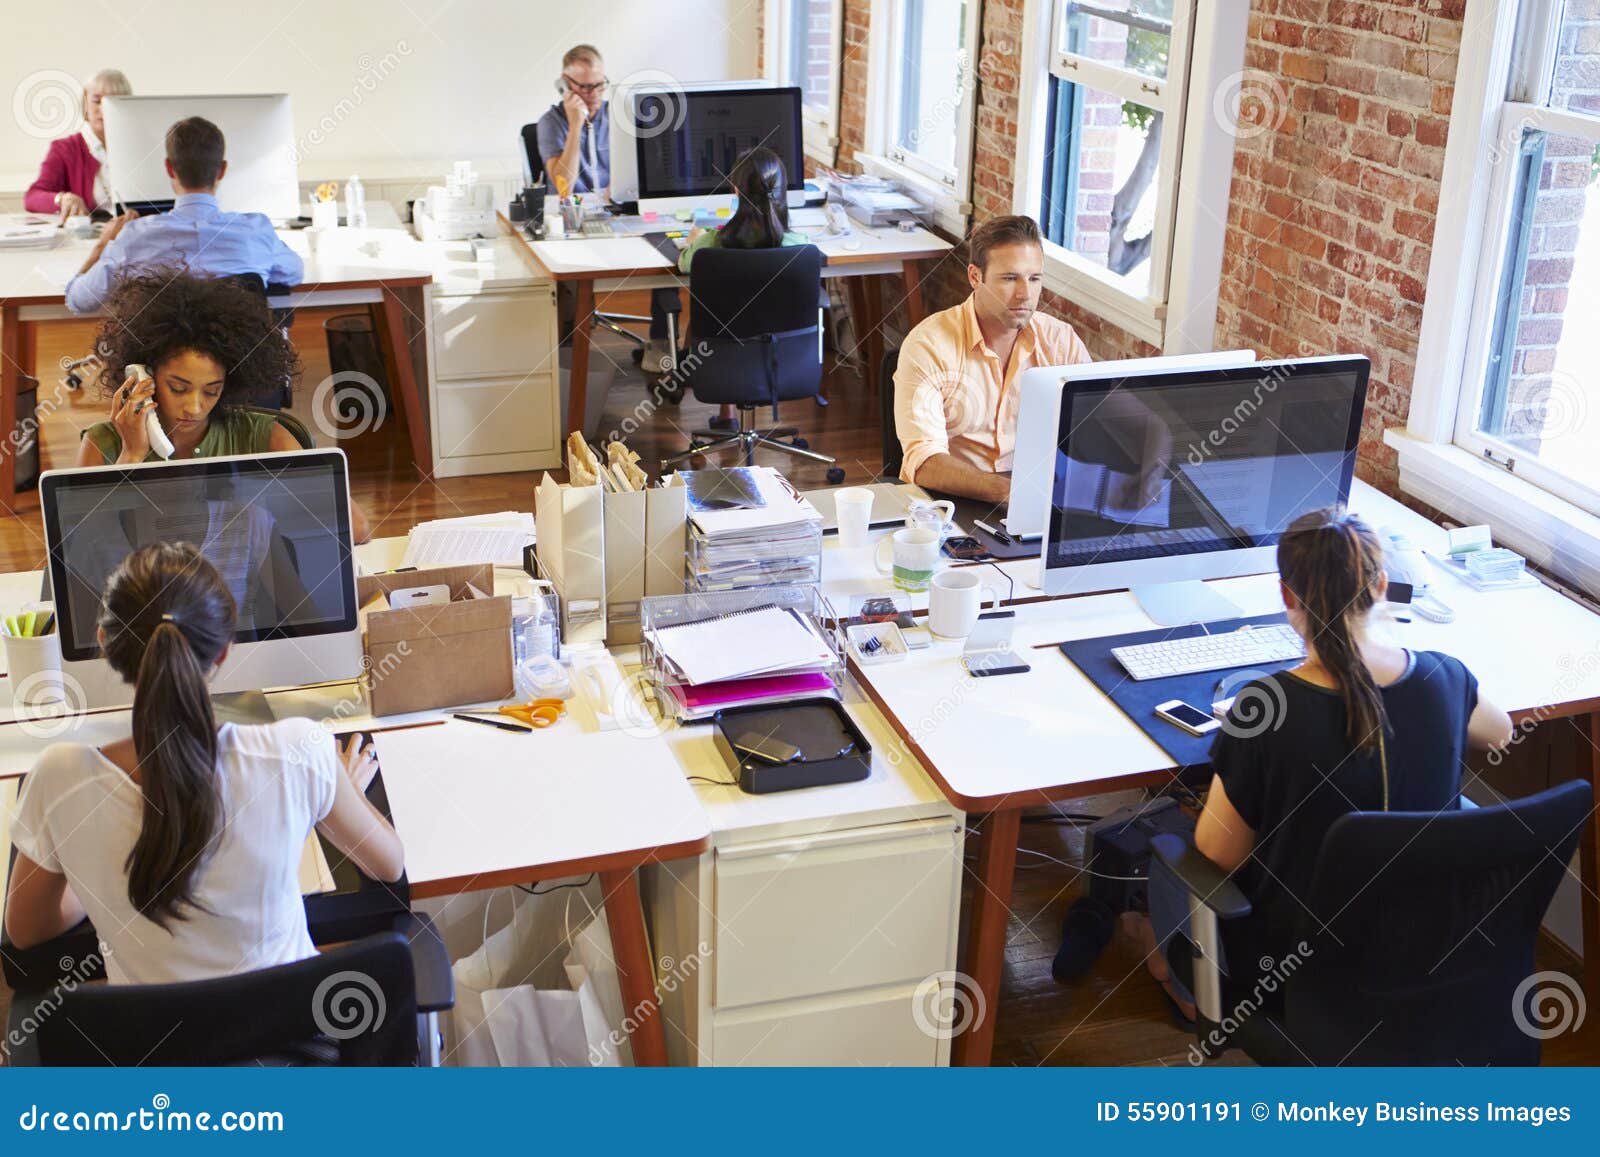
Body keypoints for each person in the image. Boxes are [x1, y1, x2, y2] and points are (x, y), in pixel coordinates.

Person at [1137, 507, 1513, 1023]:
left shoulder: (1263, 710)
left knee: (1170, 845)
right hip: (1428, 950)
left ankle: (1183, 986)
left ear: (1287, 596)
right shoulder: (1444, 677)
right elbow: (1501, 731)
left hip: (1293, 969)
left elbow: (1217, 855)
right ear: (1382, 585)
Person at [5, 542, 404, 983]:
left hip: (153, 1049)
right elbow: (389, 866)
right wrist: (331, 786)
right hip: (293, 1042)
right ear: (224, 650)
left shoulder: (59, 779)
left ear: (104, 644)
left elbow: (26, 931)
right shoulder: (299, 752)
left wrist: (89, 870)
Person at [75, 270, 372, 543]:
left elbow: (357, 528)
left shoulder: (265, 437)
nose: (194, 407)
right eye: (178, 388)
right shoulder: (105, 444)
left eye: (211, 391)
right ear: (144, 377)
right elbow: (76, 550)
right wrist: (132, 454)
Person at [894, 214, 1092, 505]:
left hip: (1037, 497)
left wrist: (1152, 449)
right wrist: (1008, 492)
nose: (1025, 294)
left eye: (1034, 278)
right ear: (975, 277)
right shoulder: (929, 345)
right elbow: (924, 461)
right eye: (1010, 278)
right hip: (952, 501)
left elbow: (1104, 415)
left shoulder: (1060, 341)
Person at [64, 116, 304, 315]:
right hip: (244, 368)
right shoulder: (256, 231)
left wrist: (102, 246)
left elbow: (79, 301)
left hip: (160, 371)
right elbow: (294, 272)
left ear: (169, 168)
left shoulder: (133, 239)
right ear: (222, 170)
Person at [535, 43, 678, 374]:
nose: (593, 93)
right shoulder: (550, 123)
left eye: (599, 84)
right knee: (565, 268)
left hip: (622, 211)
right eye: (583, 87)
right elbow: (563, 186)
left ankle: (661, 342)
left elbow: (649, 169)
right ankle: (569, 359)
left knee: (667, 248)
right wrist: (575, 126)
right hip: (574, 221)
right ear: (565, 85)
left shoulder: (622, 116)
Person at [679, 147, 809, 428]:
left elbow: (684, 263)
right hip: (783, 358)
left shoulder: (710, 245)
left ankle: (728, 414)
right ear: (781, 191)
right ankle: (729, 414)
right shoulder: (800, 246)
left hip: (719, 358)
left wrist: (694, 239)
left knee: (722, 313)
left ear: (736, 191)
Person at [24, 69, 132, 222]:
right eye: (96, 101)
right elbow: (32, 197)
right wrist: (62, 199)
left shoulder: (139, 146)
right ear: (85, 105)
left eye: (112, 101)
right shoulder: (65, 149)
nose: (103, 108)